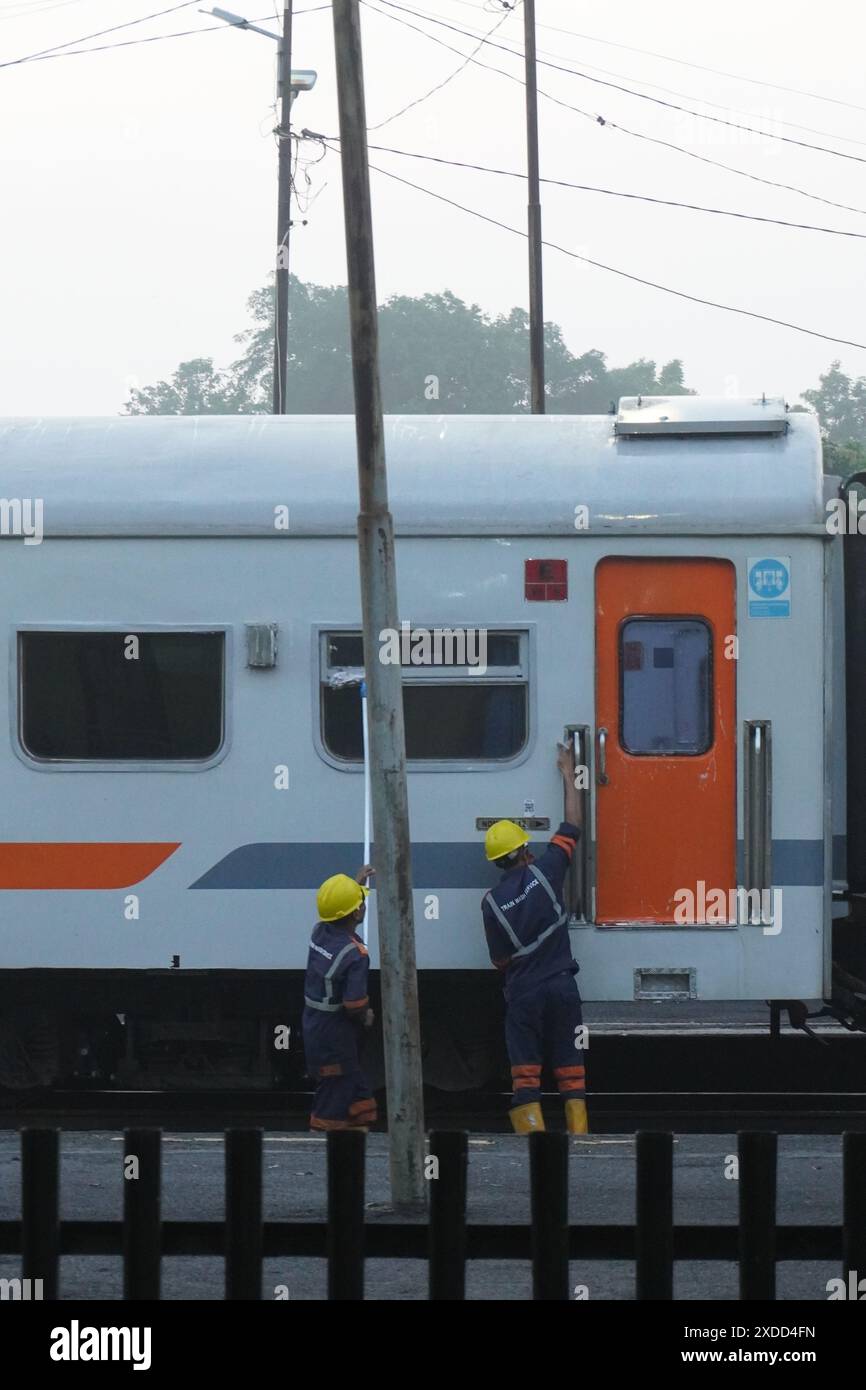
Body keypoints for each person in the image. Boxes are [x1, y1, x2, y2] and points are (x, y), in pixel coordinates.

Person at [481, 744, 587, 1134]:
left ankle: (534, 1144)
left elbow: (499, 961)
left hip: (524, 993)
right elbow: (573, 823)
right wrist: (568, 771)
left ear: (496, 862)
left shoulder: (491, 903)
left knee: (526, 1074)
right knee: (571, 1068)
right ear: (525, 850)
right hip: (563, 988)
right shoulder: (548, 870)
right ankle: (579, 1136)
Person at [302, 865, 377, 1132]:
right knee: (334, 1094)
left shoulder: (319, 932)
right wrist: (367, 1015)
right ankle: (321, 1146)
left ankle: (359, 1137)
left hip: (314, 1023)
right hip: (335, 1033)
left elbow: (337, 912)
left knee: (356, 1089)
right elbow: (354, 1003)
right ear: (357, 912)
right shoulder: (355, 954)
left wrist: (355, 885)